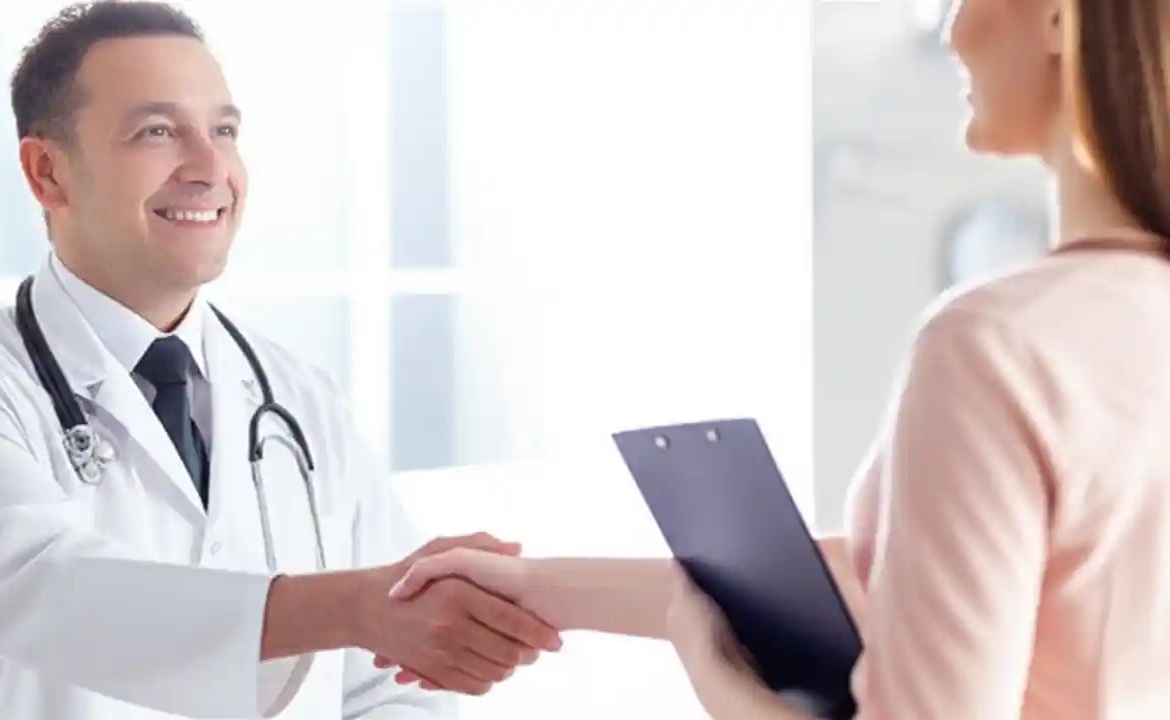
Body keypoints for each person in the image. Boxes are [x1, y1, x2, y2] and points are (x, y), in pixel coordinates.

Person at [375, 0, 1170, 717]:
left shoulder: (997, 342)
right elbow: (898, 584)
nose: (952, 32)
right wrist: (538, 587)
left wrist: (716, 677)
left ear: (1060, 17)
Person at [0, 3, 562, 719]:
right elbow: (43, 593)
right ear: (47, 172)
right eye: (157, 132)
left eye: (224, 131)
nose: (211, 169)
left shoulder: (299, 397)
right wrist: (353, 606)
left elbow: (388, 687)